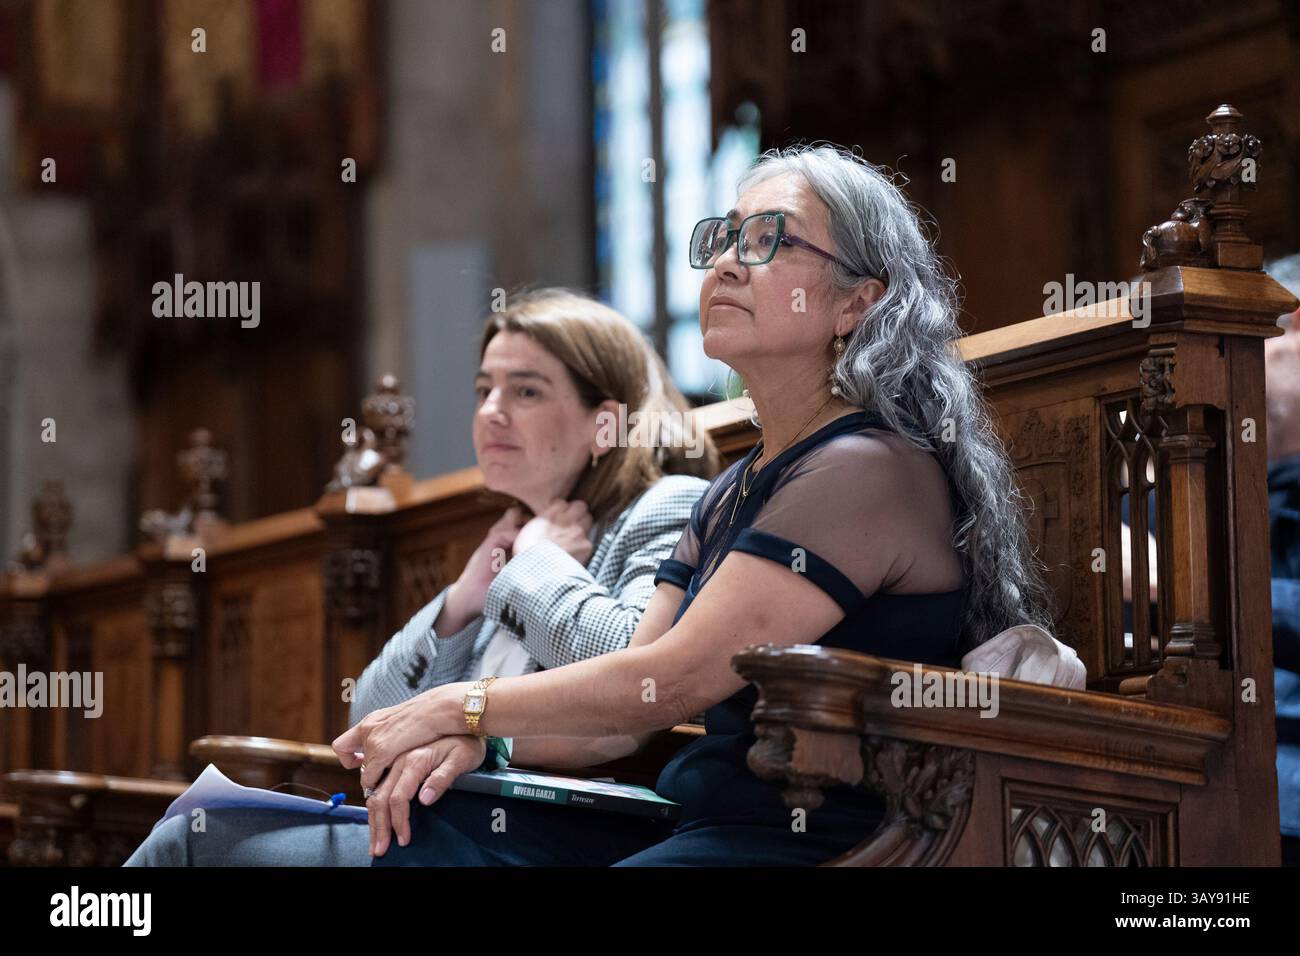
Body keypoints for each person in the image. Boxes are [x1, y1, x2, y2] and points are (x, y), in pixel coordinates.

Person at [331, 144, 1055, 866]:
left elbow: (675, 680)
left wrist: (462, 704)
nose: (728, 264)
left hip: (816, 842)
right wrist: (476, 740)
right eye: (726, 237)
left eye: (769, 239)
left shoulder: (868, 468)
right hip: (699, 824)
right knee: (419, 837)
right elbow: (624, 717)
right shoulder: (729, 489)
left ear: (856, 301)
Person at [123, 288, 716, 866]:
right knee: (192, 832)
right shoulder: (509, 541)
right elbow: (368, 721)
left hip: (548, 837)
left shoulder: (664, 505)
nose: (490, 411)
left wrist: (535, 562)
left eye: (526, 390)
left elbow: (638, 677)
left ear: (604, 423)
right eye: (484, 389)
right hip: (447, 820)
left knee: (193, 846)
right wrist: (462, 600)